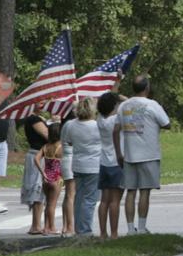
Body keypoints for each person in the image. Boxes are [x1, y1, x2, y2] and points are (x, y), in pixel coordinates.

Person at [115, 74, 170, 234]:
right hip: (149, 153)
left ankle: (130, 229)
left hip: (129, 154)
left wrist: (119, 152)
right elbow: (167, 124)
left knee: (130, 191)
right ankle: (141, 226)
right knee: (145, 191)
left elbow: (116, 129)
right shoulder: (152, 105)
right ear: (147, 88)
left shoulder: (124, 106)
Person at [63, 97, 102, 237]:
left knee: (79, 197)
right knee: (90, 199)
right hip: (94, 165)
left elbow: (67, 142)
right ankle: (85, 230)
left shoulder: (70, 125)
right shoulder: (97, 125)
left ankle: (79, 228)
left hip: (77, 164)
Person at [96, 90, 126, 239]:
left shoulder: (100, 119)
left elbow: (110, 98)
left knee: (104, 200)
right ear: (114, 105)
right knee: (115, 201)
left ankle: (103, 233)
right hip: (116, 161)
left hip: (103, 162)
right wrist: (119, 96)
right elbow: (130, 102)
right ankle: (114, 233)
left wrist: (115, 87)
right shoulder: (117, 119)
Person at [20, 111, 50, 234]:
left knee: (40, 190)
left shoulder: (40, 118)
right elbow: (48, 135)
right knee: (38, 188)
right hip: (37, 156)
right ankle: (36, 225)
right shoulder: (34, 119)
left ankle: (36, 225)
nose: (42, 102)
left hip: (41, 155)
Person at [35, 124, 64, 235]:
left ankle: (46, 227)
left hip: (46, 178)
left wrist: (42, 173)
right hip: (56, 179)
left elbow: (36, 158)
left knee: (47, 204)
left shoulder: (45, 146)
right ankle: (52, 227)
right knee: (52, 205)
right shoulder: (60, 147)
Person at [59, 110, 76, 237]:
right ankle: (70, 226)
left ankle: (65, 225)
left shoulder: (64, 125)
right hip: (71, 159)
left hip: (65, 159)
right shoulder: (71, 125)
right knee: (71, 195)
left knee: (67, 195)